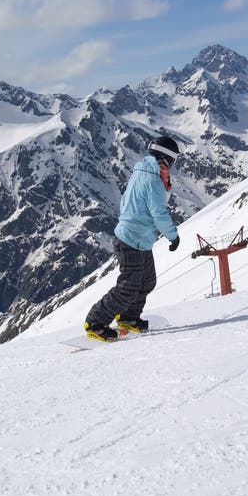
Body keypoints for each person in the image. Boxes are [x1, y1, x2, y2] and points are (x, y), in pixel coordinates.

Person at [84, 135, 181, 341]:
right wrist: (173, 235)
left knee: (147, 281)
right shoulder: (154, 178)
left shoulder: (142, 171)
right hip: (132, 240)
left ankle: (129, 317)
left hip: (139, 239)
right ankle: (95, 321)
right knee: (128, 287)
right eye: (173, 161)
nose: (172, 166)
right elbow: (159, 213)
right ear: (167, 158)